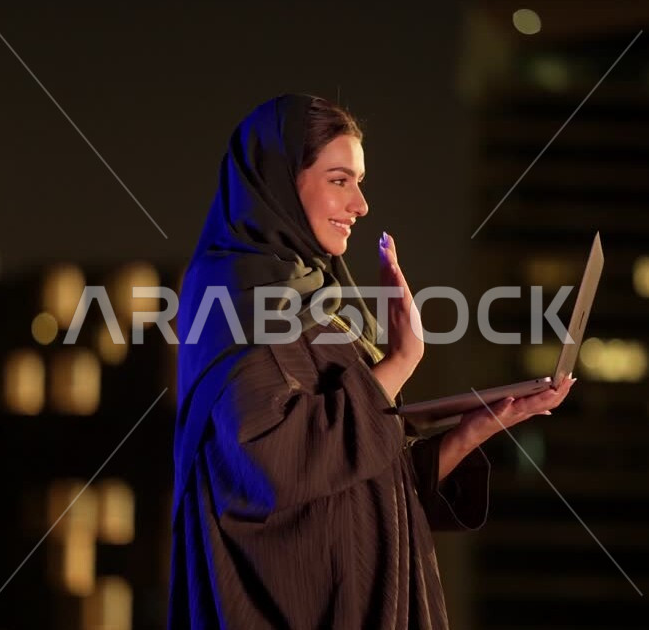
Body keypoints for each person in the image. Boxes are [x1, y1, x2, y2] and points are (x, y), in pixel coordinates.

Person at [169, 93, 575, 628]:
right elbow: (273, 464)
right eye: (340, 180)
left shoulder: (318, 299)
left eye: (358, 182)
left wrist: (475, 428)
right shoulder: (231, 297)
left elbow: (360, 476)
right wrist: (401, 361)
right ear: (279, 180)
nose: (360, 204)